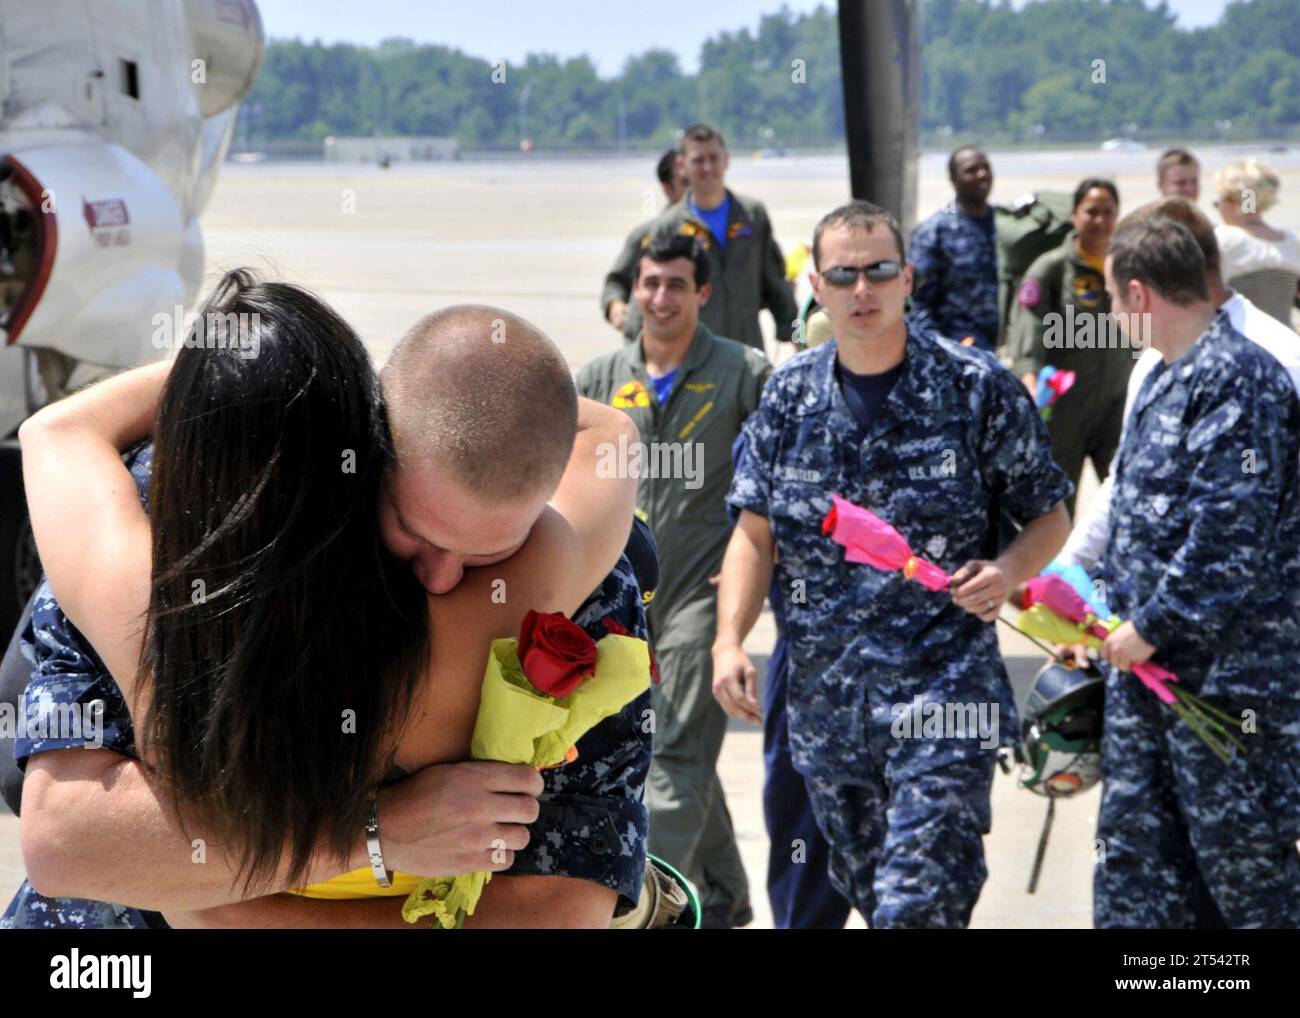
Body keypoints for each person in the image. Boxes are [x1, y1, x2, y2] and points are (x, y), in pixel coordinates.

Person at [5, 272, 652, 929]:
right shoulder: (516, 602)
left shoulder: (128, 577)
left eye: (482, 553)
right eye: (414, 528)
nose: (441, 577)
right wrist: (383, 834)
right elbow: (611, 438)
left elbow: (55, 433)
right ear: (364, 458)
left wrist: (232, 365)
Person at [713, 200, 1072, 927]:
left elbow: (1050, 514)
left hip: (945, 699)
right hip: (831, 717)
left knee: (919, 906)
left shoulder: (976, 388)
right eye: (843, 275)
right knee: (881, 902)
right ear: (816, 285)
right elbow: (755, 533)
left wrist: (1005, 571)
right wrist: (727, 642)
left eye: (879, 271)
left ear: (907, 278)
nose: (862, 291)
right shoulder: (788, 396)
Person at [1094, 216, 1300, 927]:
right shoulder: (1159, 380)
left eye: (1114, 300)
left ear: (1141, 294)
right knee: (1140, 879)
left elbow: (1228, 535)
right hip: (1152, 687)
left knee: (1248, 885)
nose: (1112, 316)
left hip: (1228, 692)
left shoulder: (1240, 379)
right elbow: (1130, 514)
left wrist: (1149, 625)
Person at [578, 231, 769, 928]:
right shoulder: (598, 381)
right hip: (620, 597)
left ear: (704, 293)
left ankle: (651, 912)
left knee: (675, 755)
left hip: (700, 596)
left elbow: (777, 475)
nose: (660, 298)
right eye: (650, 283)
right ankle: (723, 893)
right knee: (677, 744)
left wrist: (757, 559)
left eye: (676, 285)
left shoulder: (745, 373)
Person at [1059, 196, 1300, 575]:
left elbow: (1239, 524)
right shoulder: (1157, 359)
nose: (1112, 310)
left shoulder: (1278, 359)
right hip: (1153, 616)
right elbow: (1123, 479)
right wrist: (1068, 572)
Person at [601, 123, 798, 351]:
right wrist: (630, 350)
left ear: (727, 160)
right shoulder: (668, 227)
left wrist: (801, 338)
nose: (707, 168)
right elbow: (643, 296)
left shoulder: (752, 216)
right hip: (692, 363)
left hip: (747, 357)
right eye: (698, 160)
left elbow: (777, 284)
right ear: (682, 166)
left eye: (714, 158)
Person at [1008, 177, 1127, 513]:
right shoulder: (1051, 268)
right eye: (1091, 211)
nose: (1100, 220)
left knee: (1122, 493)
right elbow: (1027, 331)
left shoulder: (1126, 266)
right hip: (1064, 409)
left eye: (1108, 212)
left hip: (1116, 402)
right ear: (1074, 215)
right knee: (1058, 503)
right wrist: (1031, 386)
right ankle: (1056, 566)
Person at [906, 145, 999, 351]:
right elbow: (915, 300)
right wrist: (938, 347)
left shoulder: (1005, 224)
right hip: (959, 347)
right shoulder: (934, 231)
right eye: (971, 170)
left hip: (1005, 347)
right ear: (953, 179)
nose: (982, 174)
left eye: (986, 167)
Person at [601, 148, 689, 335]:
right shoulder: (645, 236)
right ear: (666, 187)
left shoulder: (729, 233)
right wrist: (615, 306)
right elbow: (616, 281)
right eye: (685, 183)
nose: (694, 190)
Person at [1212, 158, 1300, 328]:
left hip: (1241, 340)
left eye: (1219, 202)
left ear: (1231, 200)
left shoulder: (1223, 239)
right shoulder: (1292, 241)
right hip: (1286, 341)